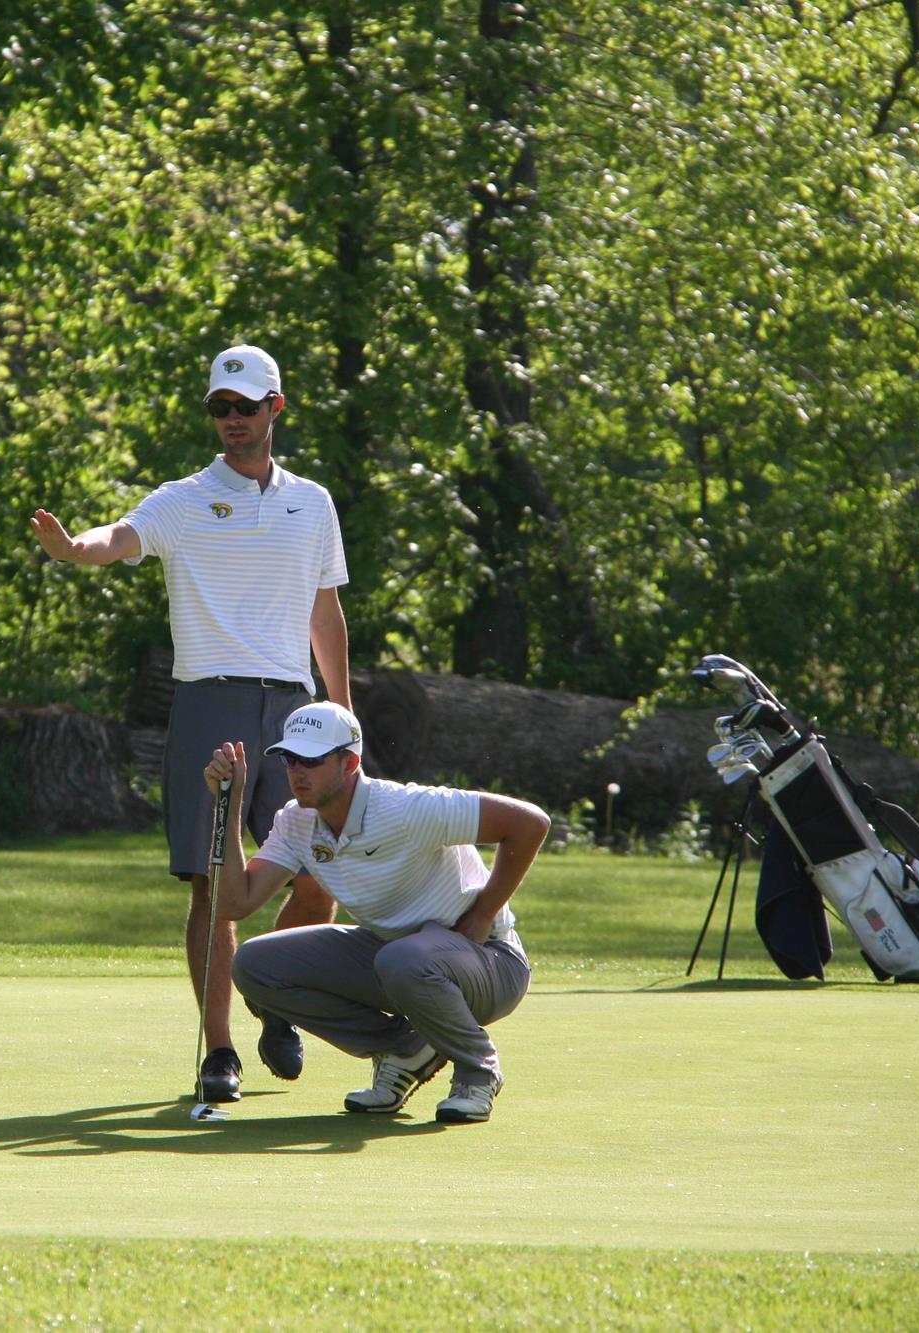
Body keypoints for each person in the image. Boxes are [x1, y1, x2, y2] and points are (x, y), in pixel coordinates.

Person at [30, 344, 350, 1104]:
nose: (231, 420)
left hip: (301, 713)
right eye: (219, 408)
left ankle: (273, 994)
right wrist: (75, 549)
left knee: (322, 870)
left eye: (245, 407)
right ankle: (219, 1051)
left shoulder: (315, 502)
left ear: (276, 407)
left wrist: (344, 712)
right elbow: (120, 537)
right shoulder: (182, 497)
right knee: (213, 883)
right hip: (212, 704)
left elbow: (325, 609)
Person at [201, 702, 551, 1124]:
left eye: (312, 759)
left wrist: (482, 914)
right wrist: (229, 804)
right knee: (256, 964)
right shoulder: (296, 822)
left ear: (349, 762)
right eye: (290, 758)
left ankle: (478, 1070)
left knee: (402, 958)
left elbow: (530, 823)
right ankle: (403, 1051)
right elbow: (234, 904)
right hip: (399, 960)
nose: (297, 771)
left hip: (490, 962)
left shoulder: (406, 808)